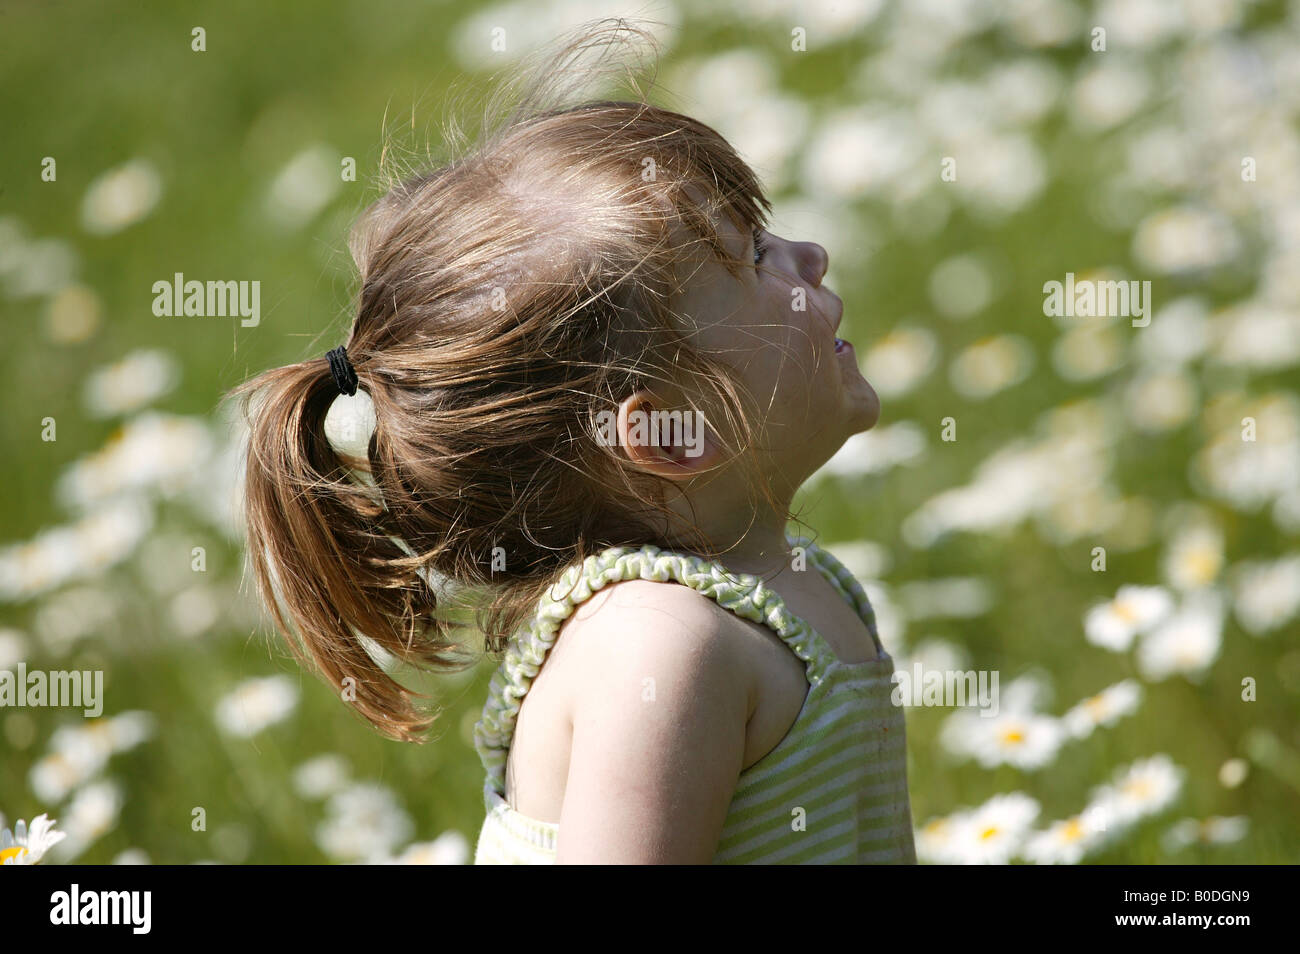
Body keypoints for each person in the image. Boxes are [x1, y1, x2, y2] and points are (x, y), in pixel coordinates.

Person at [232, 18, 915, 865]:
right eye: (754, 258)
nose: (810, 256)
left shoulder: (797, 592)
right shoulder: (662, 648)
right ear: (672, 433)